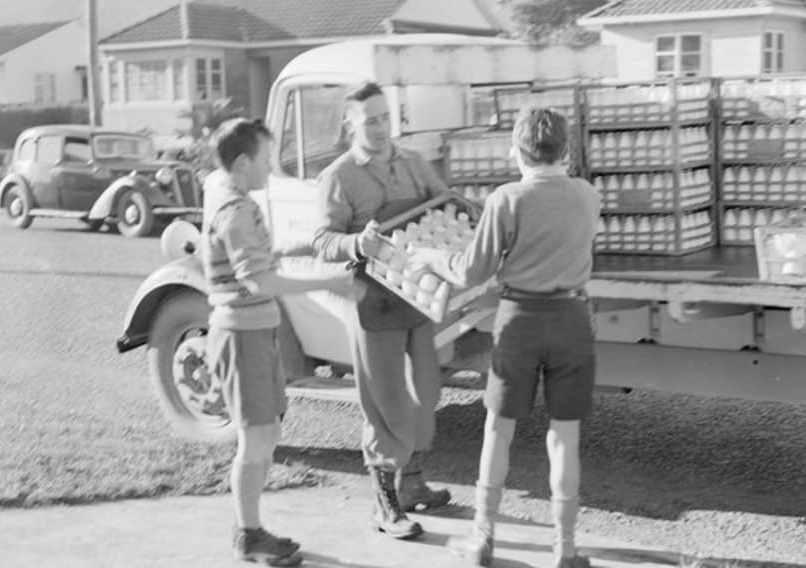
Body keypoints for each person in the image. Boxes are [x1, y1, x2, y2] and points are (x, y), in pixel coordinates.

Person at [408, 108, 601, 568]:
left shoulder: (507, 199)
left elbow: (473, 270)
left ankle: (483, 537)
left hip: (520, 318)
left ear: (516, 151)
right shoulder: (588, 194)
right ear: (567, 151)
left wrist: (431, 256)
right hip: (573, 318)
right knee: (565, 436)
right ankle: (565, 549)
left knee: (499, 428)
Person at [202, 118, 357, 565]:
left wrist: (304, 246)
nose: (272, 168)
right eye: (267, 160)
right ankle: (248, 534)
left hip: (256, 333)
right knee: (255, 439)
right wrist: (329, 282)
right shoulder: (235, 211)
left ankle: (251, 529)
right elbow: (260, 282)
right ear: (244, 162)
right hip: (241, 336)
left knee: (267, 434)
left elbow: (259, 255)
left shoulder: (232, 196)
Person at [311, 81, 453, 540]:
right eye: (369, 119)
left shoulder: (412, 162)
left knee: (425, 393)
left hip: (419, 298)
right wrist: (357, 242)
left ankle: (412, 484)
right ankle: (385, 504)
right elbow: (322, 241)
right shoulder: (339, 176)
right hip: (374, 301)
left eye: (384, 117)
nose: (378, 127)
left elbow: (442, 203)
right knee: (385, 399)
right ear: (350, 124)